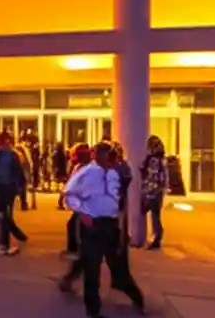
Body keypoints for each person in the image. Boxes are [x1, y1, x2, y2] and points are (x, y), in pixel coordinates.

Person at [59, 142, 144, 318]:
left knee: (118, 266)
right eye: (99, 154)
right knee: (91, 269)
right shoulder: (85, 173)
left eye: (106, 154)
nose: (102, 158)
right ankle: (93, 311)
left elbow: (124, 190)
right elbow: (69, 194)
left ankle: (135, 297)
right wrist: (82, 213)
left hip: (111, 226)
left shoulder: (116, 173)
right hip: (93, 225)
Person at [0, 131, 28, 256]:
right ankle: (4, 239)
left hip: (0, 188)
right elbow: (18, 173)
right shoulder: (11, 155)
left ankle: (2, 242)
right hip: (7, 189)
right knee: (3, 214)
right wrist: (20, 189)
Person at [140, 135, 168, 250]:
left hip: (153, 191)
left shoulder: (153, 160)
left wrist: (147, 193)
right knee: (156, 215)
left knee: (154, 216)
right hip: (159, 191)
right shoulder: (163, 160)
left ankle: (157, 238)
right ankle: (158, 236)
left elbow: (152, 177)